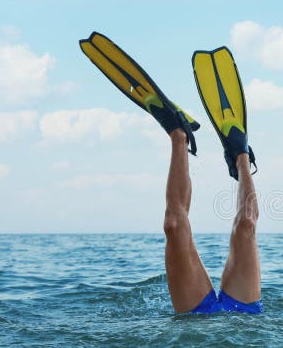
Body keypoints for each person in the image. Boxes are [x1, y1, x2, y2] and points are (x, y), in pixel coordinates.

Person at [80, 33, 262, 315]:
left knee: (246, 224)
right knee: (174, 225)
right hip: (208, 315)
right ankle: (190, 138)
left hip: (227, 314)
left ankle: (233, 152)